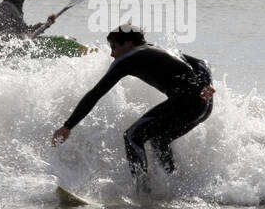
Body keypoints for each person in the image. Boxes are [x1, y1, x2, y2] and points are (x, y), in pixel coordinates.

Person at [51, 25, 215, 189]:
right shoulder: (156, 49)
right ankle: (175, 186)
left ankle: (142, 191)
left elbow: (95, 94)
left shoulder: (128, 59)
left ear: (128, 44)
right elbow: (202, 63)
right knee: (159, 140)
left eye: (114, 47)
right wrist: (206, 85)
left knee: (132, 136)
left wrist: (68, 126)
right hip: (204, 106)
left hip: (185, 103)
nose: (112, 53)